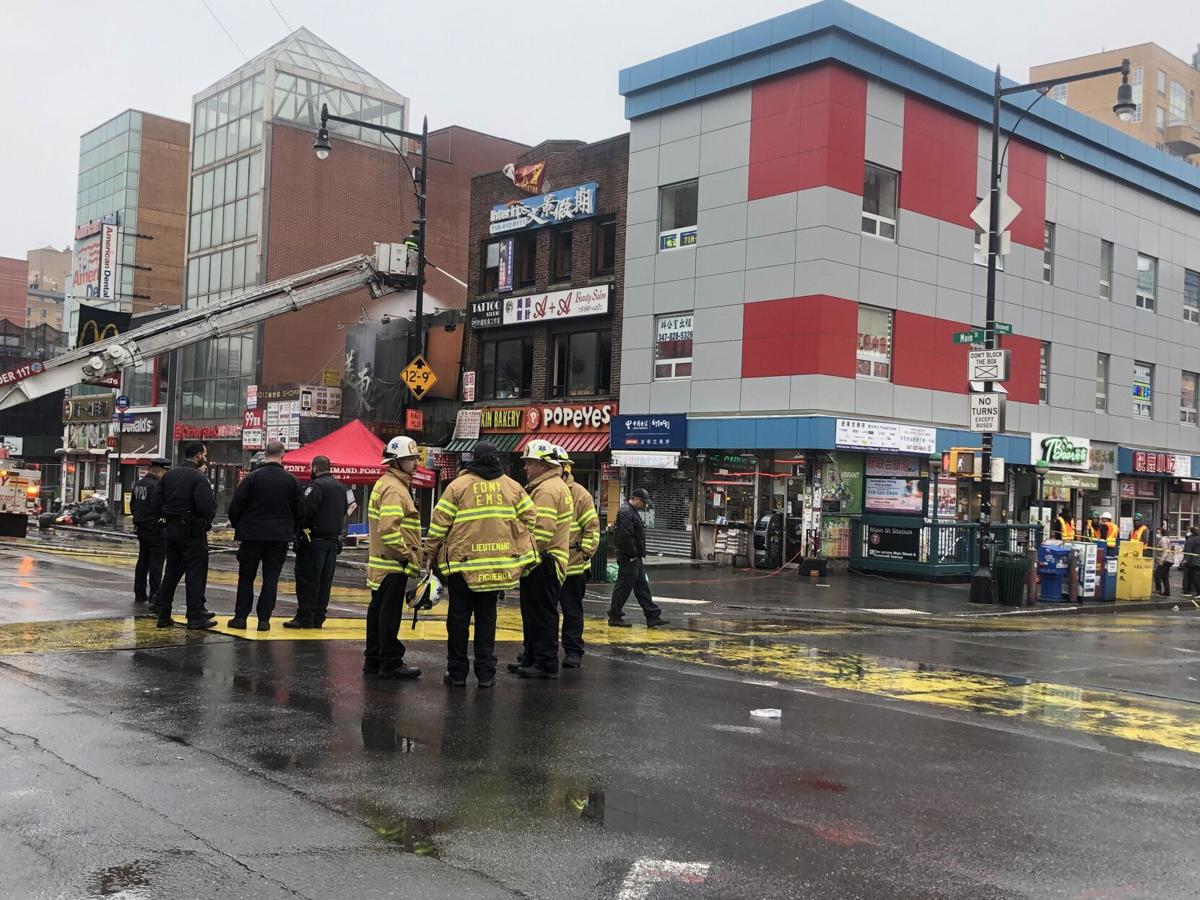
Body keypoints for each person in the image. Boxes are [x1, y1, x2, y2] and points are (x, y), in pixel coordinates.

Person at [424, 440, 538, 688]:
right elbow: (532, 519)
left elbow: (438, 525)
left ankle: (456, 674)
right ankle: (486, 674)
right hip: (495, 570)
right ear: (497, 459)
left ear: (472, 459)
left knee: (458, 621)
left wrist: (430, 555)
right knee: (487, 622)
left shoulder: (458, 486)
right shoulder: (513, 487)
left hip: (461, 569)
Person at [510, 439, 573, 680]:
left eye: (530, 463)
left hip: (543, 563)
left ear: (544, 465)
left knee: (542, 614)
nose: (525, 467)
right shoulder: (549, 486)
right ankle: (532, 657)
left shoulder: (547, 490)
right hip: (543, 562)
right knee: (533, 613)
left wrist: (523, 557)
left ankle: (545, 662)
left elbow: (542, 532)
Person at [227, 439, 303, 631]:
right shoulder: (291, 481)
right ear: (282, 455)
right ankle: (264, 620)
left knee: (246, 577)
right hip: (278, 537)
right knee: (271, 578)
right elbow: (301, 511)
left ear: (265, 454)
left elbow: (236, 505)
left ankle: (241, 617)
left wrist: (240, 527)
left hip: (251, 535)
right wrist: (291, 530)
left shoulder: (252, 478)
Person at [364, 435, 424, 679]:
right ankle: (390, 662)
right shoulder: (394, 489)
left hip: (383, 565)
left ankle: (374, 660)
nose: (416, 464)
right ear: (397, 462)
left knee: (378, 613)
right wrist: (408, 554)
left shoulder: (388, 483)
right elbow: (389, 529)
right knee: (388, 616)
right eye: (410, 459)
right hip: (392, 564)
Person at [156, 442, 218, 629]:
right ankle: (195, 615)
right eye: (204, 455)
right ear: (198, 455)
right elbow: (206, 506)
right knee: (195, 574)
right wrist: (206, 521)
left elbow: (156, 502)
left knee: (171, 572)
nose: (205, 459)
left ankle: (163, 613)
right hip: (191, 530)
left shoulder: (169, 475)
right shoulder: (198, 477)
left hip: (171, 529)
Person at [286, 455, 348, 629]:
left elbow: (305, 511)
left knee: (308, 579)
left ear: (314, 468)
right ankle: (319, 616)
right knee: (325, 581)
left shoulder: (316, 486)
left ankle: (305, 616)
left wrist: (297, 529)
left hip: (314, 540)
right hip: (332, 541)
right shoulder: (341, 487)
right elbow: (345, 510)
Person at [555, 448, 600, 669]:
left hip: (573, 567)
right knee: (544, 612)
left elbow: (592, 528)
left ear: (564, 469)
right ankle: (539, 649)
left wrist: (584, 554)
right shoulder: (539, 490)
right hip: (547, 565)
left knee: (571, 611)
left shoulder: (580, 494)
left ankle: (573, 651)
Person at [608, 488, 670, 629]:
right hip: (629, 557)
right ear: (636, 499)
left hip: (635, 557)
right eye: (643, 502)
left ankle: (652, 616)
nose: (645, 505)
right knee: (623, 587)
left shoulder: (631, 511)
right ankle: (614, 615)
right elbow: (625, 536)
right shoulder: (626, 512)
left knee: (642, 587)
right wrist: (632, 554)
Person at [130, 457, 169, 612]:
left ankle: (140, 592)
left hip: (141, 527)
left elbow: (133, 504)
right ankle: (155, 594)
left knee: (143, 560)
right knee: (156, 562)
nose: (165, 475)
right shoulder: (157, 485)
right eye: (165, 471)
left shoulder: (140, 484)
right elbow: (161, 506)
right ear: (159, 470)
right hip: (154, 528)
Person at [1154, 527, 1174, 597]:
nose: (1157, 534)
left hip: (1165, 560)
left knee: (1157, 574)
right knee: (1165, 576)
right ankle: (1167, 591)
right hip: (1168, 560)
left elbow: (1165, 551)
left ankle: (1158, 590)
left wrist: (1162, 560)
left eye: (1158, 532)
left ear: (1162, 533)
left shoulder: (1163, 540)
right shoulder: (1167, 538)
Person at [1182, 526, 1200, 598]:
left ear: (1191, 532)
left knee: (1191, 577)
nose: (1187, 532)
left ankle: (1193, 592)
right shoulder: (1197, 538)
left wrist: (1185, 560)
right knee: (1194, 576)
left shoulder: (1190, 539)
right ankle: (1189, 591)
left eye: (1188, 531)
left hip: (1191, 562)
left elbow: (1188, 551)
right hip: (1197, 561)